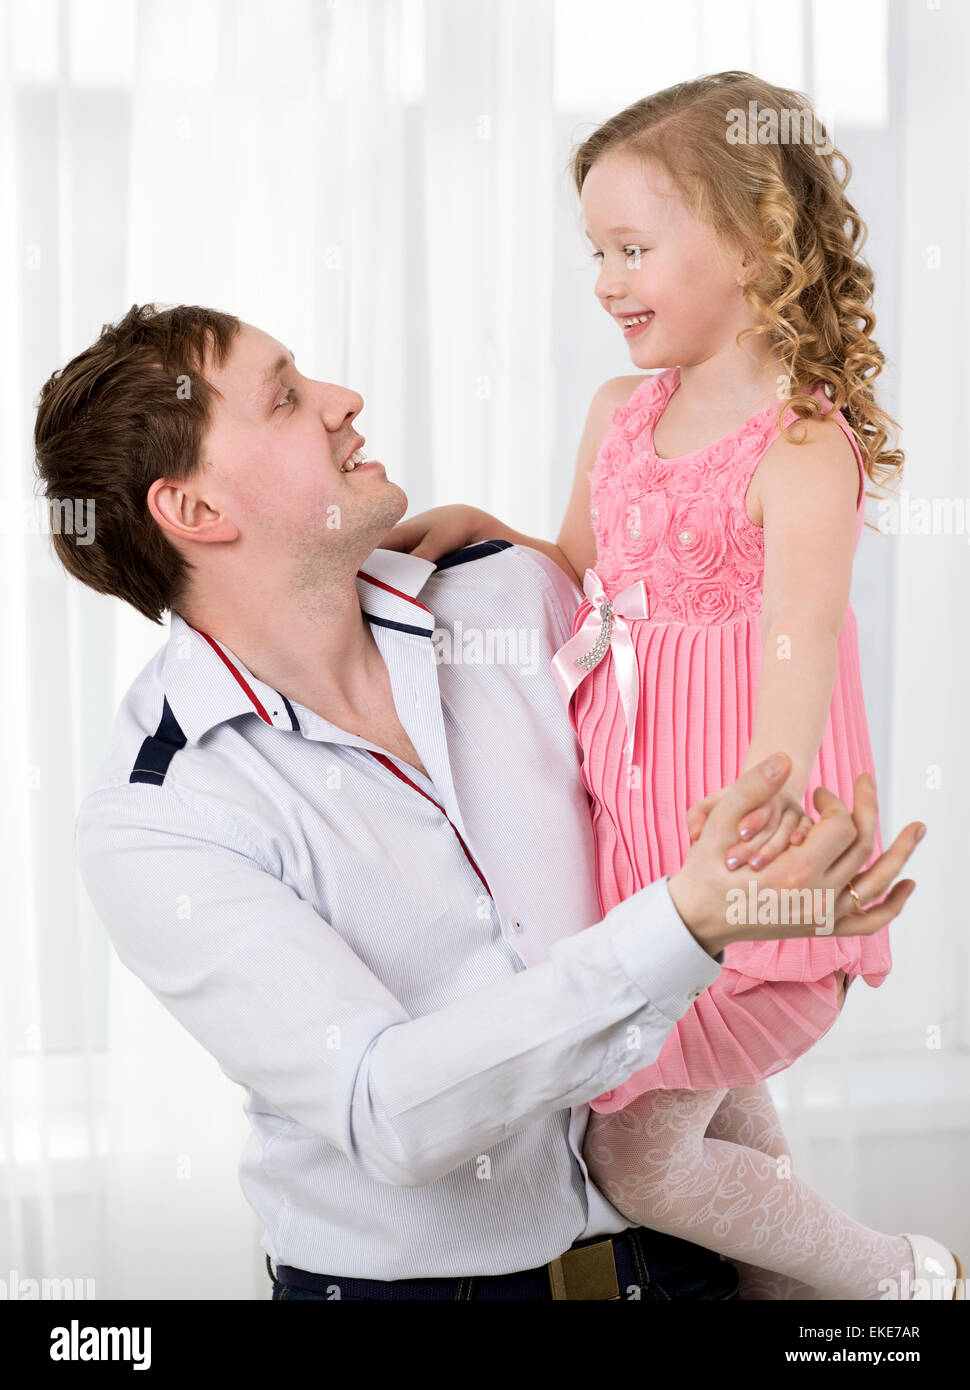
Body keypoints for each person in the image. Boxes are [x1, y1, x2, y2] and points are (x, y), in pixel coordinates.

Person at [34, 302, 920, 1302]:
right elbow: (387, 1108)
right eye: (285, 398)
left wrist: (779, 901)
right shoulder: (161, 809)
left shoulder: (511, 598)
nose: (342, 400)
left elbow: (672, 785)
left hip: (674, 1266)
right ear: (194, 511)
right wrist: (685, 924)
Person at [381, 73, 964, 1299]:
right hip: (630, 853)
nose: (605, 279)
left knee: (639, 1153)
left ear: (753, 249)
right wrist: (495, 533)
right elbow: (582, 569)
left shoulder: (802, 443)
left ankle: (901, 1278)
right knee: (706, 1114)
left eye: (634, 247)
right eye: (597, 251)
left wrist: (763, 802)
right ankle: (795, 1295)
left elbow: (801, 629)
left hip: (737, 854)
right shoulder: (619, 413)